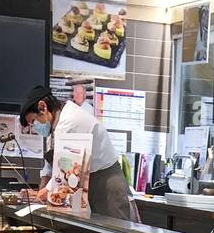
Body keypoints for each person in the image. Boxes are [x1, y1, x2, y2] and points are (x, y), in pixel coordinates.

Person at [18, 85, 134, 220]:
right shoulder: (56, 123)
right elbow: (51, 166)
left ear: (43, 107)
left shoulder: (69, 122)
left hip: (106, 181)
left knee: (114, 232)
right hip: (88, 180)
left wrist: (42, 194)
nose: (35, 127)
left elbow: (64, 173)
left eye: (33, 121)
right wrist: (41, 190)